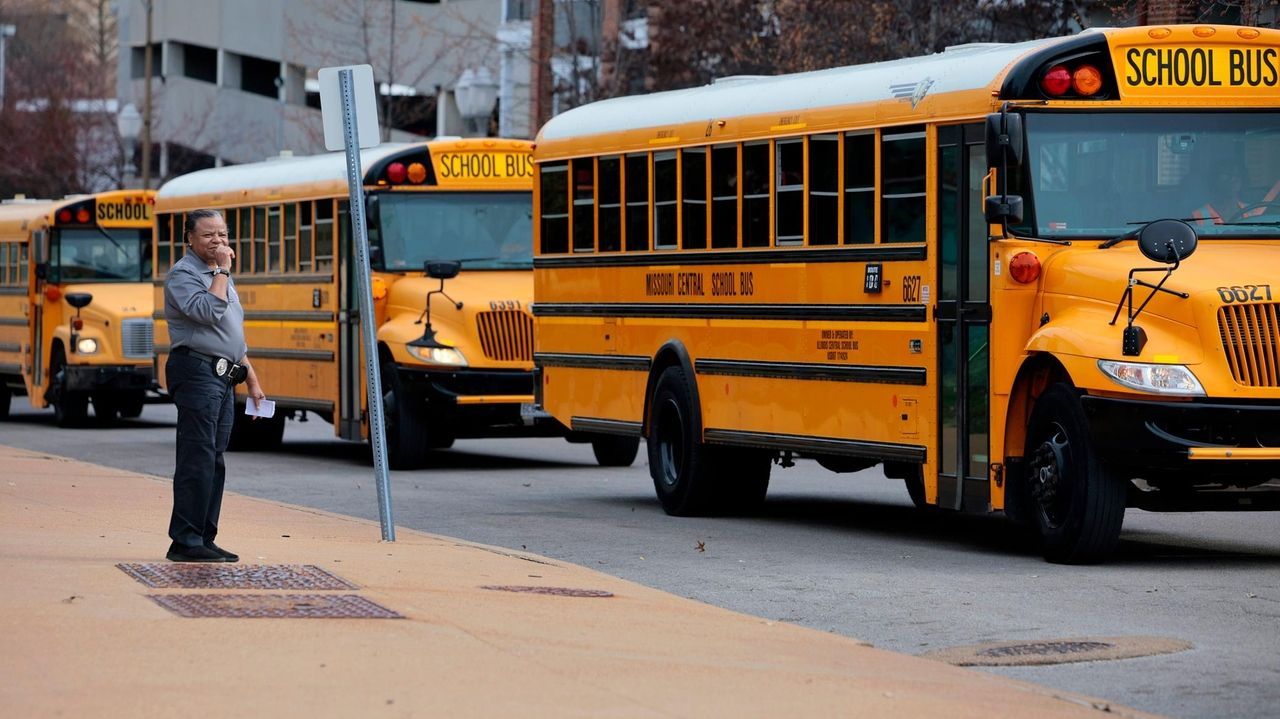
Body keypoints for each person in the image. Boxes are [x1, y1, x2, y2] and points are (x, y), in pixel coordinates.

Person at [162, 209, 266, 563]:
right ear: (189, 239)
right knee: (197, 456)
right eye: (208, 235)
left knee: (215, 458)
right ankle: (185, 541)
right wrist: (221, 270)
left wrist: (251, 378)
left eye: (222, 234)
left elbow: (232, 334)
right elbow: (207, 312)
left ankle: (204, 537)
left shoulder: (220, 275)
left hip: (224, 374)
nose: (218, 242)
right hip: (195, 371)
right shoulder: (184, 274)